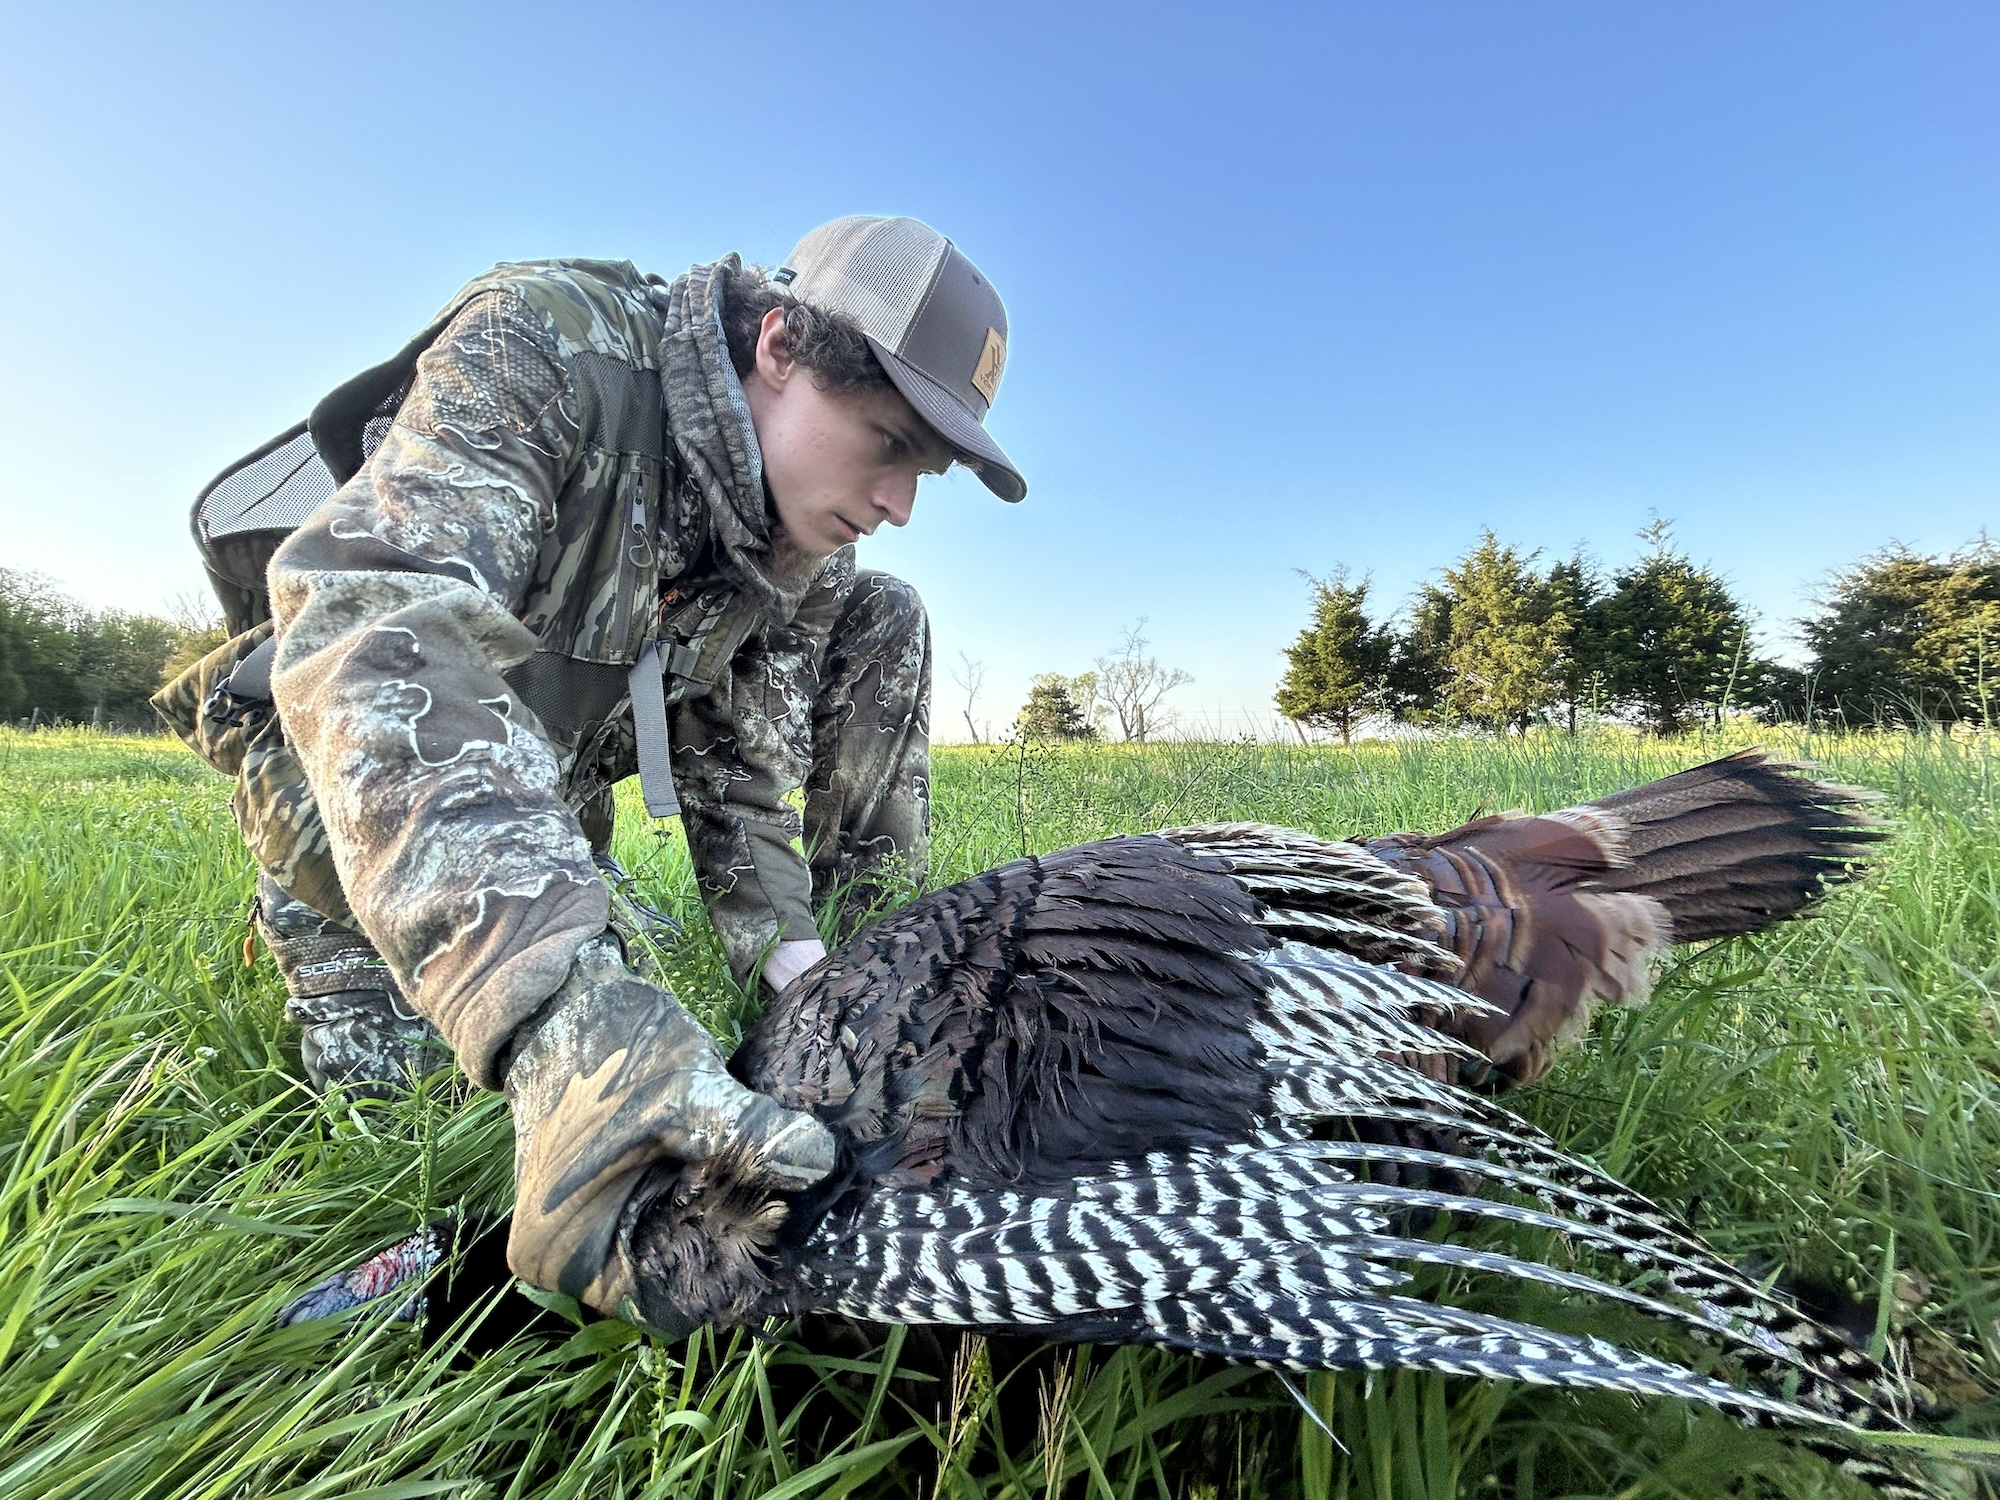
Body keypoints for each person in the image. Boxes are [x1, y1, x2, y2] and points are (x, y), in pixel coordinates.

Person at [155, 215, 1024, 1318]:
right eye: (888, 442)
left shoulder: (797, 541)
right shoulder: (542, 345)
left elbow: (741, 775)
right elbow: (380, 627)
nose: (900, 503)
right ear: (780, 349)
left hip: (543, 812)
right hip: (356, 809)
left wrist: (812, 979)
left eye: (927, 472)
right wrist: (570, 1022)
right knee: (427, 1139)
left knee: (883, 612)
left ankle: (860, 974)